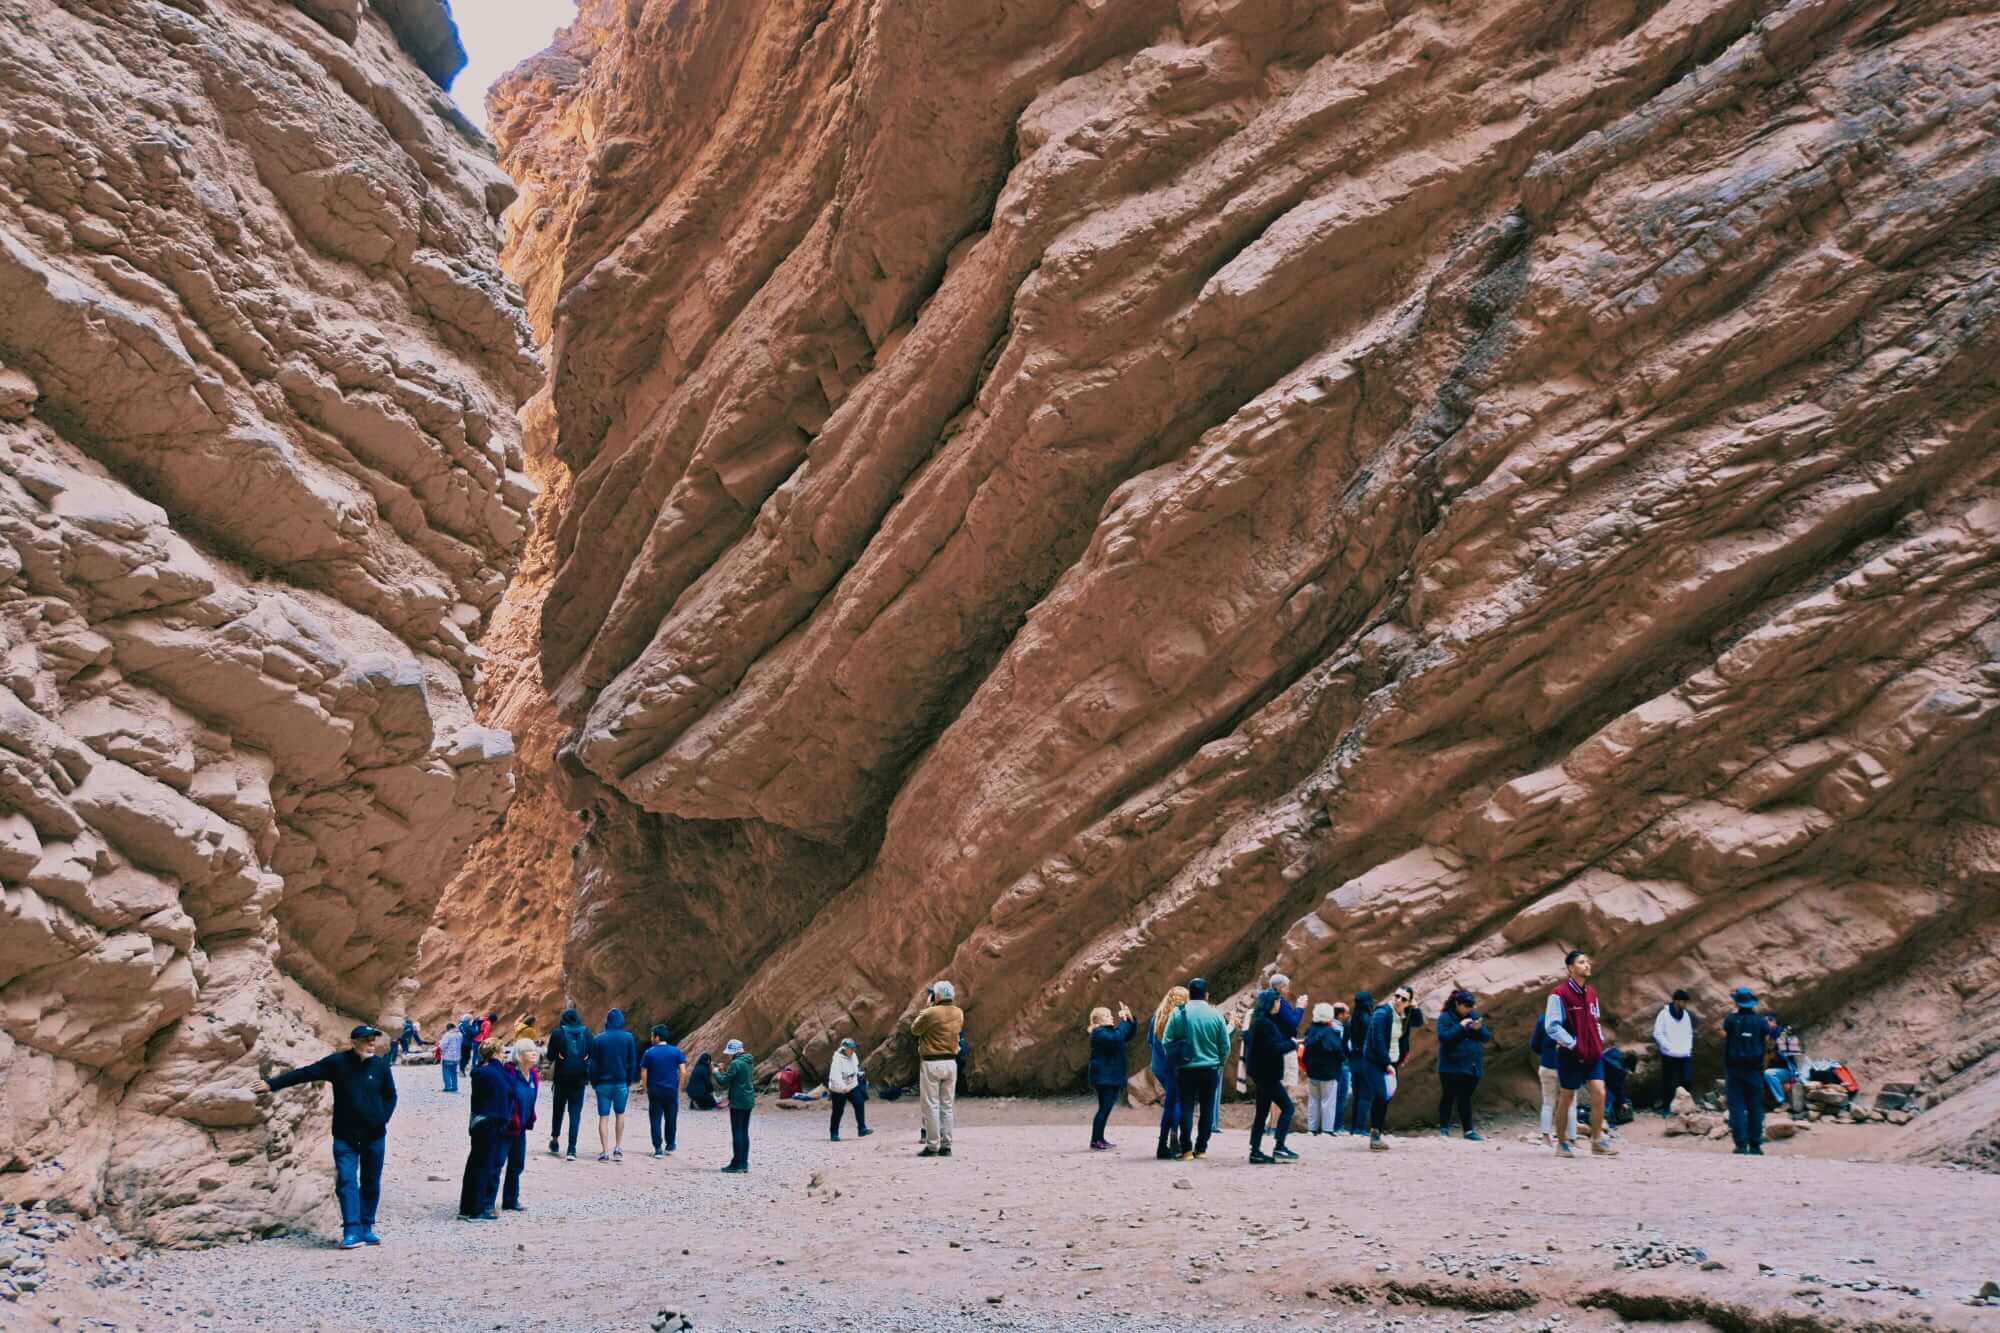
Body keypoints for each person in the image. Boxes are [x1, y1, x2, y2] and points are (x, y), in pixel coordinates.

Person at [263, 1024, 397, 1249]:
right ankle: (352, 1231)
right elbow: (305, 1073)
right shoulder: (337, 1063)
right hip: (345, 1136)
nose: (371, 1044)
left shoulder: (381, 1066)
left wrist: (382, 1118)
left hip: (375, 1137)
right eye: (366, 1040)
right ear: (354, 1042)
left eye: (373, 1040)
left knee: (371, 1182)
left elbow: (391, 1095)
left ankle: (367, 1227)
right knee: (346, 1181)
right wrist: (271, 1084)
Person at [1546, 949, 1618, 1158]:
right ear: (1570, 968)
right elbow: (1552, 1026)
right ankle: (1562, 1143)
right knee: (1567, 1096)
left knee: (1600, 1092)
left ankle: (1597, 1140)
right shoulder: (1558, 994)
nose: (1587, 965)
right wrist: (1573, 1043)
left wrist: (1599, 1040)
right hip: (1571, 1055)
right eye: (1581, 962)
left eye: (1588, 961)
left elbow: (1595, 1021)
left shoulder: (1592, 993)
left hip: (1594, 1054)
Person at [1162, 977, 1230, 1159]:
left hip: (1185, 1069)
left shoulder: (1179, 1013)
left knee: (1186, 1108)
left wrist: (1177, 1060)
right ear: (1207, 995)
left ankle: (1186, 1150)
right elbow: (1225, 1045)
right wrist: (1220, 1063)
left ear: (1189, 994)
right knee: (1207, 1109)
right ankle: (1202, 1148)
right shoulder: (1216, 1014)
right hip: (1210, 1069)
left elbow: (1166, 1042)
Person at [913, 981, 965, 1158]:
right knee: (947, 1106)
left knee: (931, 1106)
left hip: (931, 1063)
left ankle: (932, 1145)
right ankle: (946, 1144)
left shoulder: (930, 1013)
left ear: (936, 996)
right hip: (951, 1063)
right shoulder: (959, 1013)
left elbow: (915, 1029)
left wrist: (927, 1007)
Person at [1723, 987, 1778, 1155]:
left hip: (1734, 1069)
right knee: (1755, 1107)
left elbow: (1726, 1034)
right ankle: (1755, 1145)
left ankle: (1740, 1145)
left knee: (1737, 1107)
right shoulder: (1761, 1021)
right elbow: (1769, 1036)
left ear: (1737, 1002)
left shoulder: (1730, 1020)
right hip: (1754, 1070)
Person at [1246, 989, 1299, 1164]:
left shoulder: (1259, 1021)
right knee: (1288, 1108)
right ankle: (1280, 1146)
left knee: (1261, 1113)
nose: (1279, 1004)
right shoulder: (1266, 1024)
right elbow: (1276, 1048)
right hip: (1268, 1075)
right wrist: (1292, 1044)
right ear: (1271, 1003)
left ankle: (1255, 1150)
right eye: (1277, 1002)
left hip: (1261, 1074)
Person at [459, 1038, 507, 1220]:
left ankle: (467, 1207)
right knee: (483, 1166)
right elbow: (503, 1095)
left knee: (474, 1165)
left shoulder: (480, 1070)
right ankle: (476, 1209)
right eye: (501, 1051)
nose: (504, 1055)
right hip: (490, 1122)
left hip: (478, 1121)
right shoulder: (495, 1073)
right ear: (495, 1053)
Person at [1434, 989, 1493, 1140]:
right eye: (1466, 1005)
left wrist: (1478, 1029)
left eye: (1471, 1005)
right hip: (1451, 1066)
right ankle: (1444, 1129)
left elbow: (1486, 1037)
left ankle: (1468, 1131)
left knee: (1465, 1098)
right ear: (1457, 1004)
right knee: (1448, 1096)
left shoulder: (1474, 1016)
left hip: (1471, 1065)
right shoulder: (1445, 1017)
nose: (1469, 1008)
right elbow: (1444, 1037)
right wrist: (1461, 1026)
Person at [589, 1008, 640, 1162]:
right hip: (621, 1083)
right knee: (620, 1114)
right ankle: (618, 1148)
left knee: (603, 1117)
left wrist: (594, 1082)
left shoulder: (598, 1039)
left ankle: (604, 1151)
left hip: (603, 1084)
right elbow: (632, 1062)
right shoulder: (628, 1038)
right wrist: (628, 1080)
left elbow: (593, 1064)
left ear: (607, 1021)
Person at [1086, 1002, 1137, 1150]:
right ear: (1098, 1020)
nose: (1112, 1018)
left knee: (1106, 1108)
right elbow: (1117, 1037)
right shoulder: (1100, 1033)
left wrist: (1129, 1018)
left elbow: (1127, 1034)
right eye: (1107, 1016)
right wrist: (1124, 1021)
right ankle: (1095, 1141)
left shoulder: (1109, 1032)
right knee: (1104, 1108)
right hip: (1104, 1077)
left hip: (1110, 1076)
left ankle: (1099, 1138)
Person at [1148, 986, 1190, 1159]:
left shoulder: (1157, 1017)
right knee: (1179, 1101)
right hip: (1177, 1066)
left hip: (1159, 1066)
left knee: (1171, 1101)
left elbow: (1150, 1041)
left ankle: (1163, 1142)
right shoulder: (1181, 1018)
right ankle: (1175, 1133)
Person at [545, 1008, 592, 1160]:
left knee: (558, 1109)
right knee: (575, 1114)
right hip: (580, 1080)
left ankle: (555, 1139)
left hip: (561, 1078)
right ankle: (572, 1149)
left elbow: (550, 1056)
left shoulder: (558, 1033)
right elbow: (592, 1054)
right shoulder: (587, 1033)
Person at [1529, 1008, 1577, 1143]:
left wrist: (1545, 1053)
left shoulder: (1543, 1019)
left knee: (1548, 1101)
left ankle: (1545, 1136)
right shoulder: (1573, 1019)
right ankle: (1572, 1138)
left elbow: (1534, 1045)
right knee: (1571, 1104)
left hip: (1547, 1065)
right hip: (1568, 1067)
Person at [501, 1041, 539, 1212]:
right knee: (496, 1164)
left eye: (534, 1050)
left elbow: (532, 1098)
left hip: (521, 1127)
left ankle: (511, 1200)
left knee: (517, 1164)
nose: (533, 1053)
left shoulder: (534, 1075)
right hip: (506, 1126)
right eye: (528, 1051)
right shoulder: (509, 1074)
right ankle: (485, 1203)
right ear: (519, 1055)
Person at [639, 1025, 686, 1157]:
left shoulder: (649, 1053)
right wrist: (680, 1088)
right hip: (671, 1090)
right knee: (671, 1117)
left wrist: (645, 1087)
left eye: (652, 1035)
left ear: (657, 1037)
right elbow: (683, 1071)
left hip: (655, 1090)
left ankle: (658, 1148)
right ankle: (670, 1144)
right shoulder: (676, 1051)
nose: (651, 1038)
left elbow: (644, 1072)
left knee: (655, 1119)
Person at [1302, 1002, 1346, 1135]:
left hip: (1312, 1070)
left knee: (1313, 1100)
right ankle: (1327, 1129)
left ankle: (1312, 1128)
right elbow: (1337, 1051)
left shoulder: (1310, 1030)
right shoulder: (1330, 1032)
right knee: (1328, 1101)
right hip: (1329, 1072)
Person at [1359, 989, 1395, 1150]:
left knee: (1366, 1095)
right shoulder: (1371, 1018)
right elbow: (1377, 1038)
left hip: (1361, 1059)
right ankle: (1363, 1129)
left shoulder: (1357, 1017)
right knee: (1373, 1096)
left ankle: (1360, 1129)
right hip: (1370, 1059)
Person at [1652, 990, 1696, 1115]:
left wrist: (1688, 1048)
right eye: (1683, 1002)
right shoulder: (1664, 1014)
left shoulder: (1686, 1015)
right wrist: (1668, 1047)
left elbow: (1689, 1033)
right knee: (1669, 1083)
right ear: (1676, 1001)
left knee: (1686, 1080)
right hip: (1669, 1054)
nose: (1685, 1004)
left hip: (1684, 1054)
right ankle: (1667, 1109)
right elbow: (1658, 1033)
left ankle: (1685, 1109)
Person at [717, 1038, 756, 1172]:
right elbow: (738, 1077)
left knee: (737, 1132)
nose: (728, 1055)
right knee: (744, 1132)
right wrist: (725, 1070)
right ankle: (743, 1163)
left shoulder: (735, 1063)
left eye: (729, 1052)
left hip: (738, 1102)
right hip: (748, 1100)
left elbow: (724, 1081)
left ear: (733, 1052)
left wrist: (716, 1072)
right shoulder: (748, 1061)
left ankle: (737, 1164)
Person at [1345, 992, 1377, 1136]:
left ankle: (1354, 1128)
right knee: (1366, 1095)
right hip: (1366, 1060)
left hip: (1354, 1060)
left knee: (1357, 1095)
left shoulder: (1350, 1020)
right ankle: (1360, 1128)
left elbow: (1344, 1042)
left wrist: (1349, 1056)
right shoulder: (1369, 1019)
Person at [828, 1037, 873, 1140]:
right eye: (851, 1049)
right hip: (838, 1088)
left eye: (854, 1048)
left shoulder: (853, 1056)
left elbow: (855, 1068)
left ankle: (862, 1128)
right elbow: (835, 1076)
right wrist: (843, 1087)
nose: (853, 1050)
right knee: (838, 1111)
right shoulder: (837, 1060)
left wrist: (859, 1074)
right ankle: (834, 1133)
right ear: (844, 1049)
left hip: (852, 1085)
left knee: (859, 1102)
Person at [437, 1022, 463, 1093]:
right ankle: (455, 1087)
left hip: (448, 1057)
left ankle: (448, 1087)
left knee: (446, 1072)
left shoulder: (447, 1035)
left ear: (447, 1028)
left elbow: (443, 1046)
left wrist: (439, 1047)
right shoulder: (460, 1034)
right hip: (457, 1057)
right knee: (454, 1072)